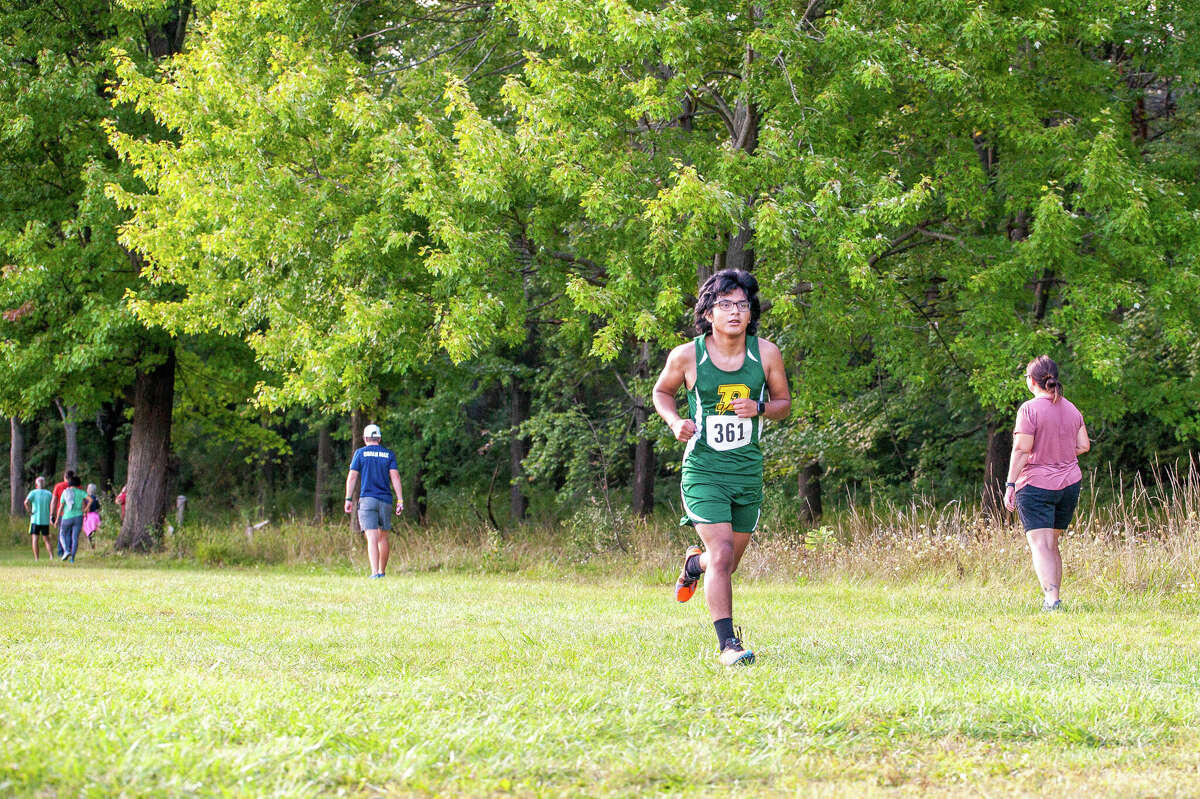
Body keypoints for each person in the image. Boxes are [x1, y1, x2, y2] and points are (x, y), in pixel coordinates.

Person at [652, 269, 791, 666]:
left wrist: (760, 407)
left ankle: (693, 564)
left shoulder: (766, 354)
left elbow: (784, 405)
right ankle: (728, 645)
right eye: (725, 304)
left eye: (742, 305)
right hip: (704, 470)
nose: (734, 311)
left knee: (725, 563)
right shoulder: (686, 355)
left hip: (746, 471)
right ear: (708, 313)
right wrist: (675, 421)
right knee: (723, 550)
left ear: (750, 313)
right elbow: (662, 391)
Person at [1003, 355, 1090, 611]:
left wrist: (1010, 485)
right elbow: (1084, 445)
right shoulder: (1071, 408)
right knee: (1052, 544)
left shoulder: (1029, 409)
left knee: (1040, 546)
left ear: (1032, 381)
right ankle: (1054, 598)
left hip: (1036, 484)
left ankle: (1051, 602)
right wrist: (1059, 451)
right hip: (1069, 484)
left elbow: (1021, 450)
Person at [344, 424, 404, 578]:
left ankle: (374, 573)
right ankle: (382, 572)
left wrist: (348, 498)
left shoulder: (360, 453)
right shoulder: (388, 454)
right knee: (383, 537)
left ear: (365, 439)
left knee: (371, 537)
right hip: (385, 499)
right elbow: (395, 477)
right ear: (379, 438)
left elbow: (352, 477)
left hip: (367, 500)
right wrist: (400, 499)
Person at [56, 474, 87, 563]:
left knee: (62, 533)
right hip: (78, 517)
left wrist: (57, 518)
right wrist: (84, 510)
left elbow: (61, 507)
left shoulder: (65, 492)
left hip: (67, 516)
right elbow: (89, 500)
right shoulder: (81, 492)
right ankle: (72, 558)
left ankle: (66, 550)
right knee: (75, 538)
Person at [24, 476, 54, 560]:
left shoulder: (33, 493)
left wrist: (30, 511)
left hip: (35, 519)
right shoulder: (48, 493)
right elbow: (53, 503)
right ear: (44, 484)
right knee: (46, 539)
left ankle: (37, 558)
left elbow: (26, 502)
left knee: (35, 539)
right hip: (45, 519)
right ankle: (51, 556)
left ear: (36, 485)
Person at [49, 469, 74, 556]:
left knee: (62, 533)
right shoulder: (77, 486)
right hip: (73, 513)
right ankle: (70, 550)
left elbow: (54, 501)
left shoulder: (59, 486)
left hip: (62, 514)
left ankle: (61, 552)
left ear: (64, 477)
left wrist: (52, 515)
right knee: (71, 533)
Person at [82, 483, 102, 549]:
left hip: (89, 516)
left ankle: (92, 546)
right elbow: (99, 508)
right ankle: (93, 545)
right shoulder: (96, 498)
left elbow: (87, 508)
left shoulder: (87, 498)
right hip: (95, 516)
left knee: (89, 532)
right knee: (93, 531)